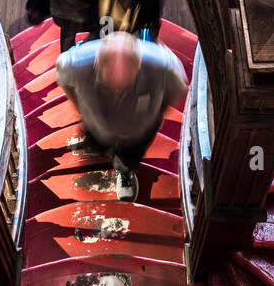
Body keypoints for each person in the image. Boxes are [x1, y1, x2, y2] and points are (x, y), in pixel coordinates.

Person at [56, 31, 188, 202]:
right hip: (97, 126)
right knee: (98, 145)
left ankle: (125, 170)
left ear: (138, 65)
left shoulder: (162, 65)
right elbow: (63, 79)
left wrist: (158, 113)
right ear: (97, 63)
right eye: (110, 84)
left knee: (130, 156)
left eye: (124, 85)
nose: (117, 91)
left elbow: (178, 88)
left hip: (137, 132)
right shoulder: (75, 63)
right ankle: (105, 151)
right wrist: (79, 107)